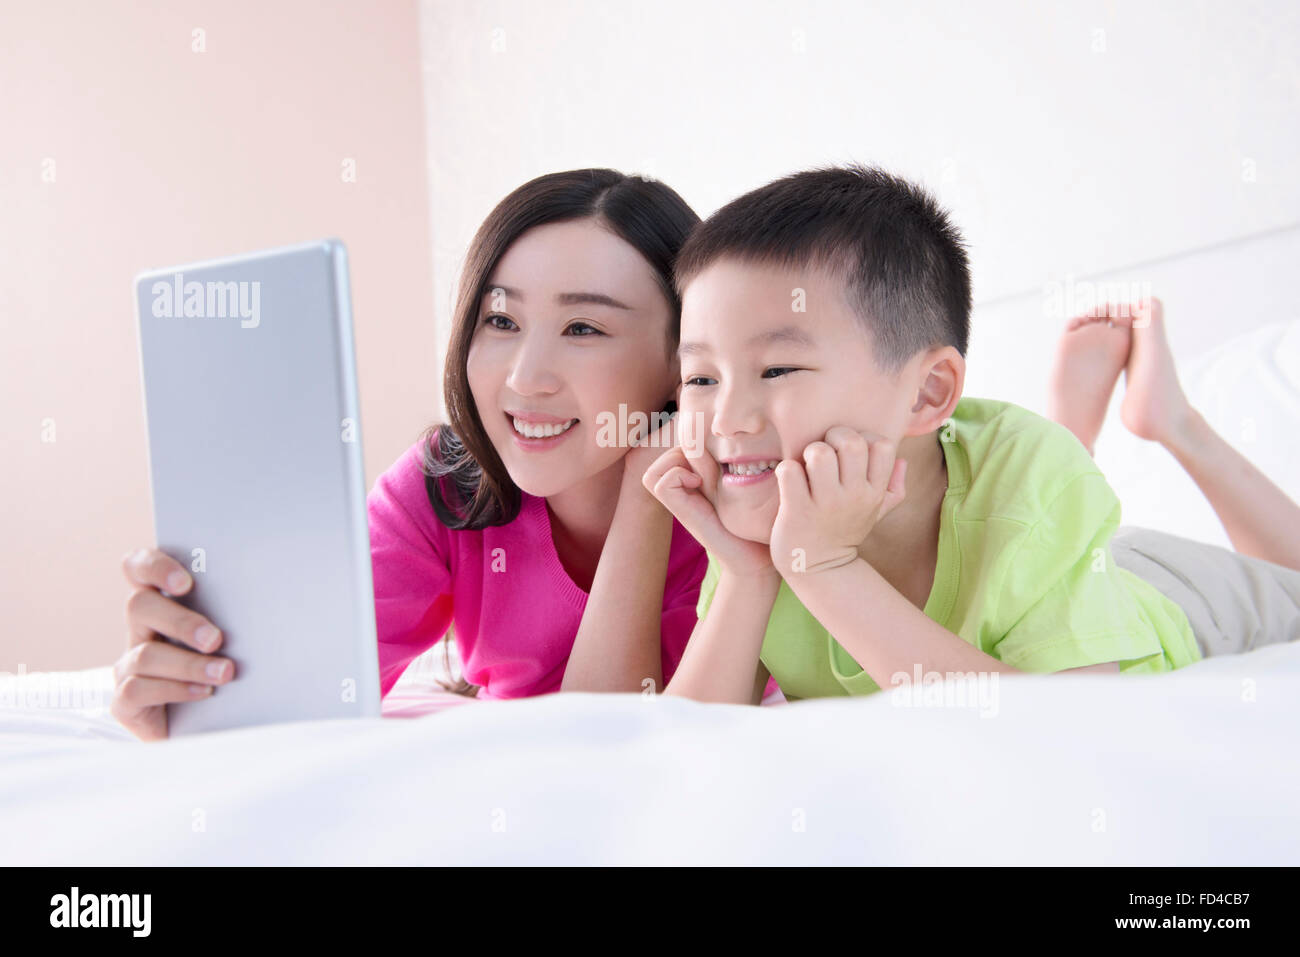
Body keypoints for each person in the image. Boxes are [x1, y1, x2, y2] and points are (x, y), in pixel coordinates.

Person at [112, 168, 771, 740]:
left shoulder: (741, 504)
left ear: (683, 357)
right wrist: (189, 694)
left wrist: (644, 500)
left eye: (582, 328)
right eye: (501, 320)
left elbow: (611, 745)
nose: (525, 378)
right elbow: (294, 707)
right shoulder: (447, 484)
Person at [643, 163, 1296, 706]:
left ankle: (1173, 424)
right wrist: (747, 575)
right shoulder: (762, 522)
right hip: (1040, 557)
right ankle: (1074, 445)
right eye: (700, 378)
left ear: (927, 393)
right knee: (1033, 527)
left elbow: (1073, 730)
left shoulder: (1029, 474)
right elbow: (688, 747)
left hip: (1165, 592)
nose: (726, 419)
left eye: (777, 369)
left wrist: (826, 567)